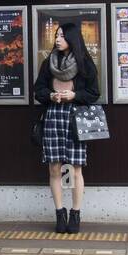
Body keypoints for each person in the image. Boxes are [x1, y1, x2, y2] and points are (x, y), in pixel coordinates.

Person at [32, 22, 100, 234]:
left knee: (75, 168)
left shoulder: (85, 65)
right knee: (54, 167)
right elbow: (38, 90)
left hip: (76, 118)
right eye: (56, 35)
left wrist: (75, 96)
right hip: (53, 116)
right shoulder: (48, 63)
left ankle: (75, 213)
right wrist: (50, 96)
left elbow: (94, 93)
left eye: (62, 35)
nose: (57, 39)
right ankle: (59, 213)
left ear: (72, 39)